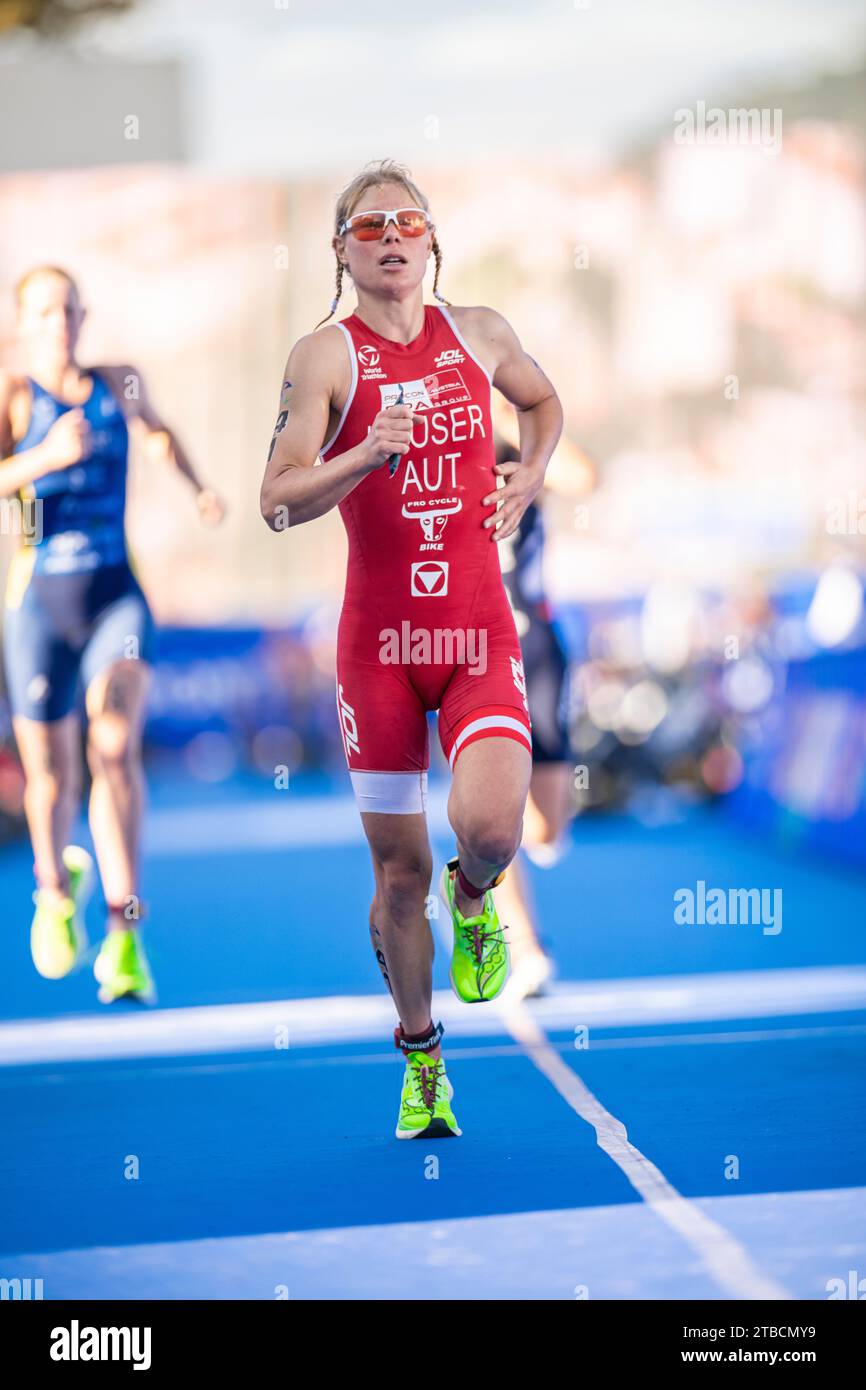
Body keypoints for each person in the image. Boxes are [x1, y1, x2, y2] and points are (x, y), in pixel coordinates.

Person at [260, 159, 563, 1139]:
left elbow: (543, 404)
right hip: (377, 646)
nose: (390, 236)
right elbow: (276, 499)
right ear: (342, 252)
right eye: (367, 226)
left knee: (491, 832)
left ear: (430, 240)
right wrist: (362, 453)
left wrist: (528, 480)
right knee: (397, 875)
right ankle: (422, 1059)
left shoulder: (479, 334)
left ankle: (474, 901)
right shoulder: (323, 357)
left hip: (475, 631)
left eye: (407, 221)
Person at [0, 266, 224, 1002]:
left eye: (68, 310)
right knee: (52, 776)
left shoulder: (117, 382)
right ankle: (54, 890)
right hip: (38, 605)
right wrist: (43, 459)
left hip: (115, 599)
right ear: (25, 322)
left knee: (113, 747)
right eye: (44, 313)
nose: (58, 323)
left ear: (83, 315)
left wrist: (197, 488)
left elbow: (159, 435)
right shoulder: (16, 397)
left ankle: (126, 933)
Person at [492, 414, 595, 999]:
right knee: (497, 814)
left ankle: (516, 849)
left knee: (544, 831)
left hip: (538, 644)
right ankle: (524, 946)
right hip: (478, 650)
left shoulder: (526, 450)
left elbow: (585, 477)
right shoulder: (447, 453)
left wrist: (518, 423)